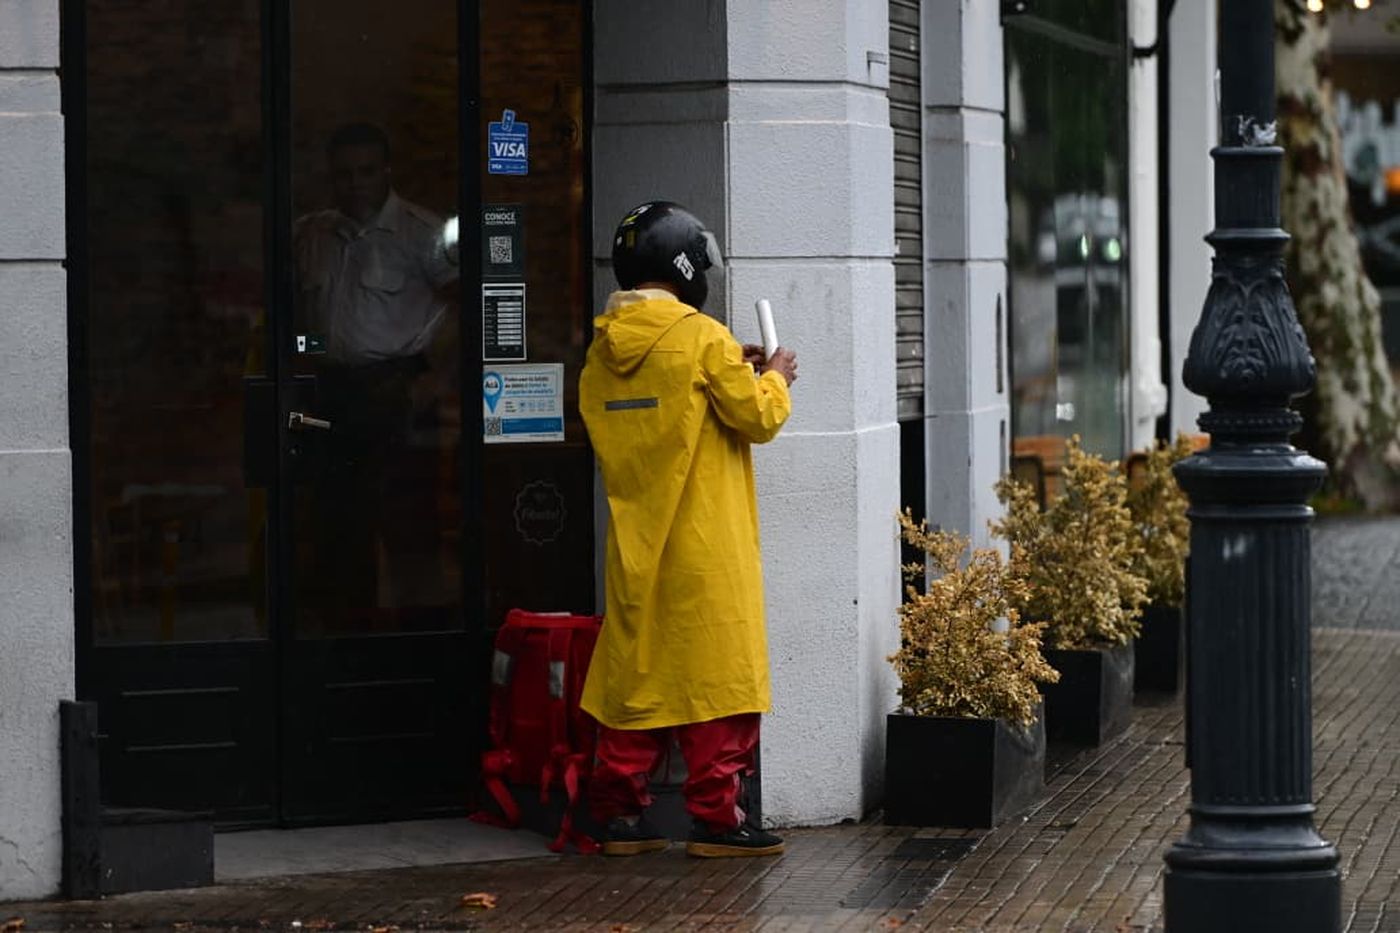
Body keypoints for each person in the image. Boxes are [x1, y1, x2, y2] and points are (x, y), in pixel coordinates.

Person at [578, 201, 799, 858]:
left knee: (636, 674)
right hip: (705, 545)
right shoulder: (702, 338)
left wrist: (732, 363)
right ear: (683, 266)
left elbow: (668, 400)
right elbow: (758, 417)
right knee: (718, 680)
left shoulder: (602, 351)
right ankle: (719, 819)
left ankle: (618, 815)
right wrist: (775, 378)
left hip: (637, 544)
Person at [293, 123, 458, 621]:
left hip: (397, 389)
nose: (355, 183)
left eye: (366, 171)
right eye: (344, 174)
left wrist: (434, 381)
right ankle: (348, 634)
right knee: (336, 524)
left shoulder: (422, 233)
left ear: (386, 171)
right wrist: (304, 359)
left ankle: (416, 640)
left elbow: (466, 309)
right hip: (332, 391)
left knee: (408, 525)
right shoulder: (311, 235)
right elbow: (302, 318)